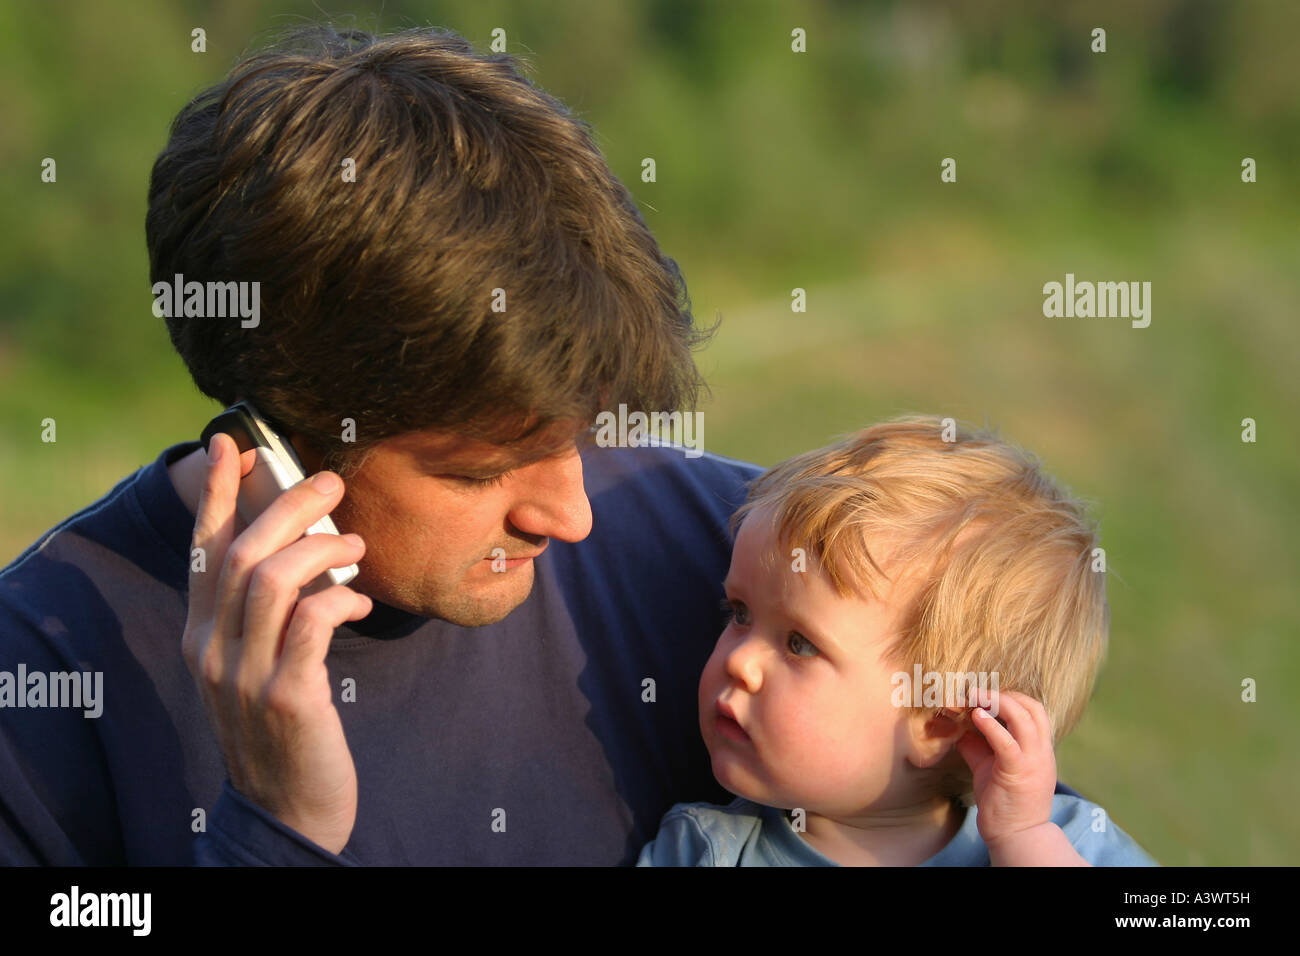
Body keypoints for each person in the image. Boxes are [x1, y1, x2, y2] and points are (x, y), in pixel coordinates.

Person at [0, 24, 758, 865]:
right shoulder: (34, 684)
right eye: (481, 472)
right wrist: (274, 832)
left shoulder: (756, 564)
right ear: (283, 438)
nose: (573, 516)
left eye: (582, 437)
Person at [637, 417, 1158, 865]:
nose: (741, 660)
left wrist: (1025, 843)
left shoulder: (1069, 842)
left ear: (934, 722)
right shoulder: (706, 851)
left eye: (800, 644)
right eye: (740, 613)